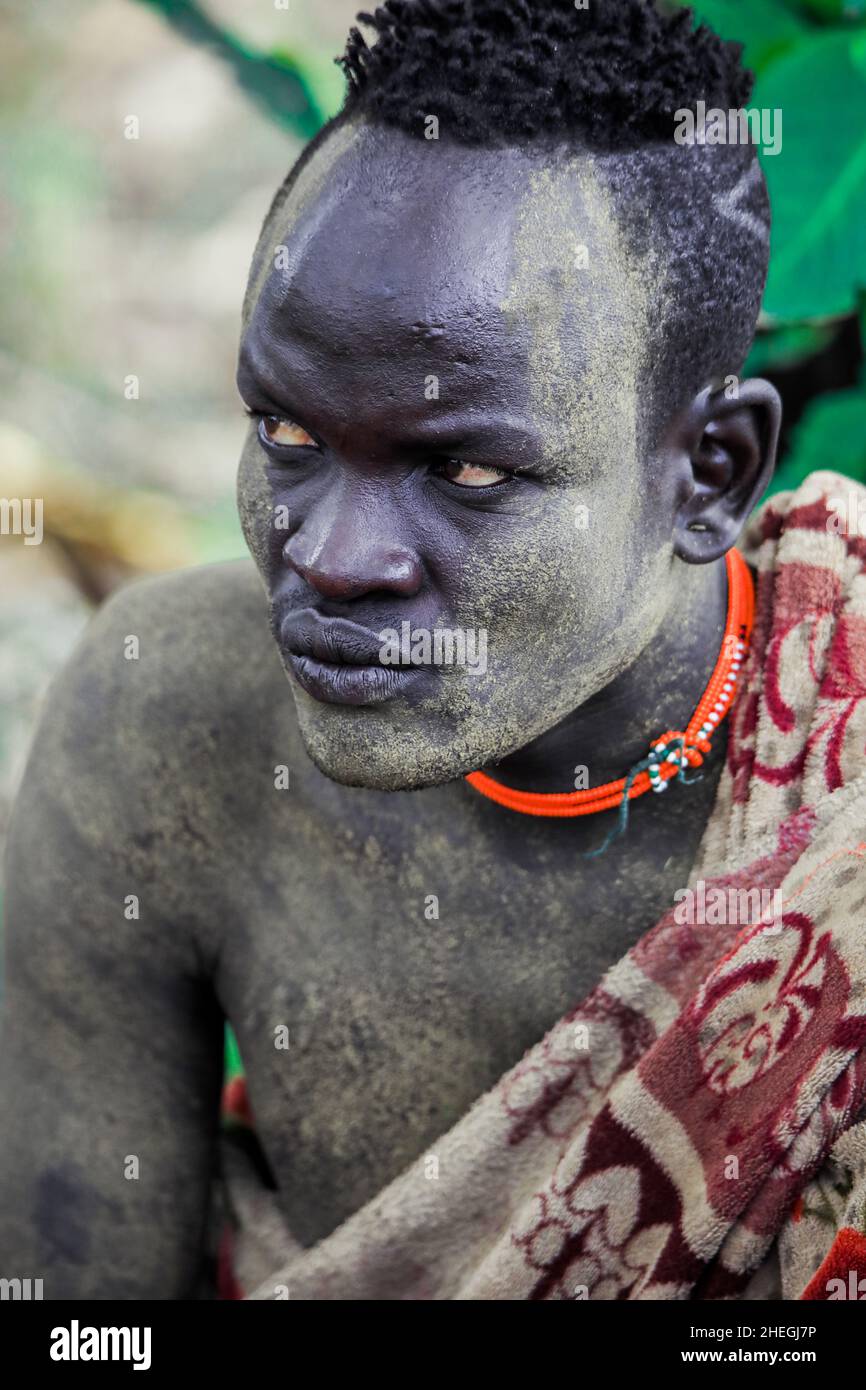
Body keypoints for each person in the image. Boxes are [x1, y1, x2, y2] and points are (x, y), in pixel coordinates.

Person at [2, 0, 865, 1301]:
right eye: (287, 435)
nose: (333, 557)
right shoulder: (169, 728)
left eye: (461, 466)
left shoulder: (839, 812)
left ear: (709, 471)